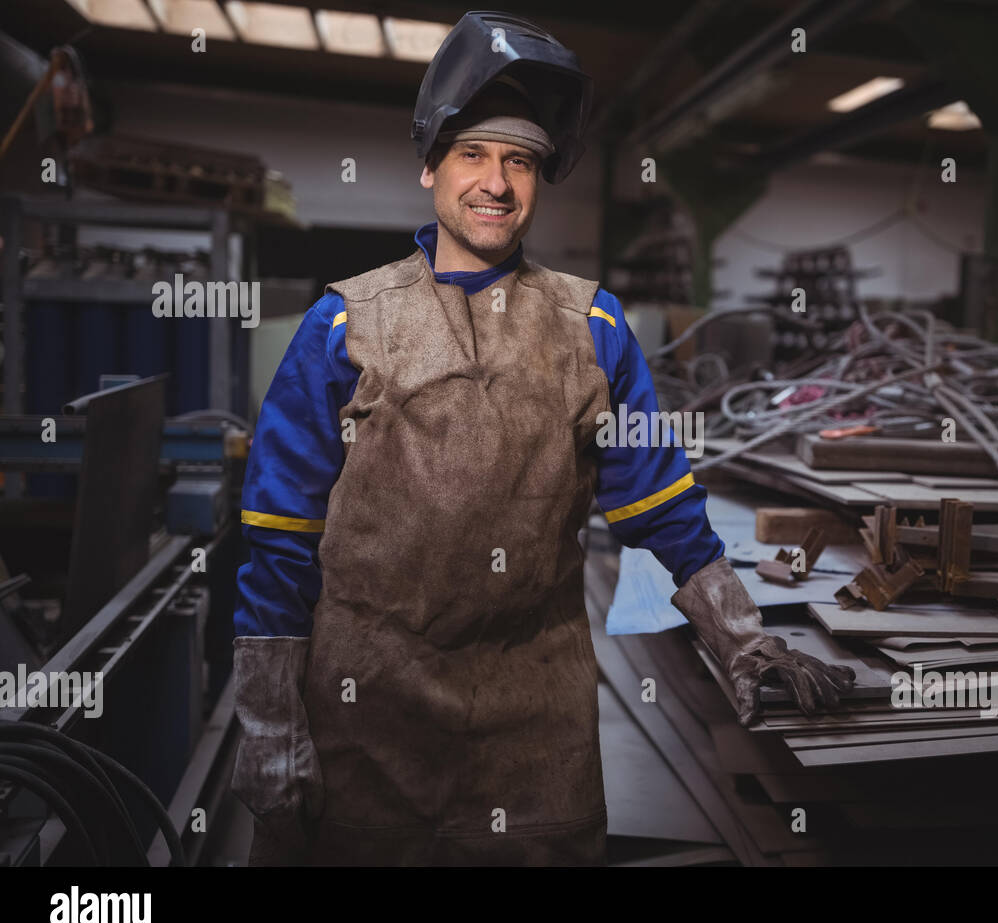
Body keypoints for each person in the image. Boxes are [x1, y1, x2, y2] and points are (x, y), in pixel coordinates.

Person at [231, 10, 854, 867]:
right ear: (430, 167)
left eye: (519, 161)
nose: (496, 181)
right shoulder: (344, 326)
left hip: (536, 726)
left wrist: (741, 636)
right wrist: (270, 716)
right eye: (473, 153)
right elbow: (279, 534)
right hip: (366, 716)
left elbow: (661, 504)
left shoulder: (592, 327)